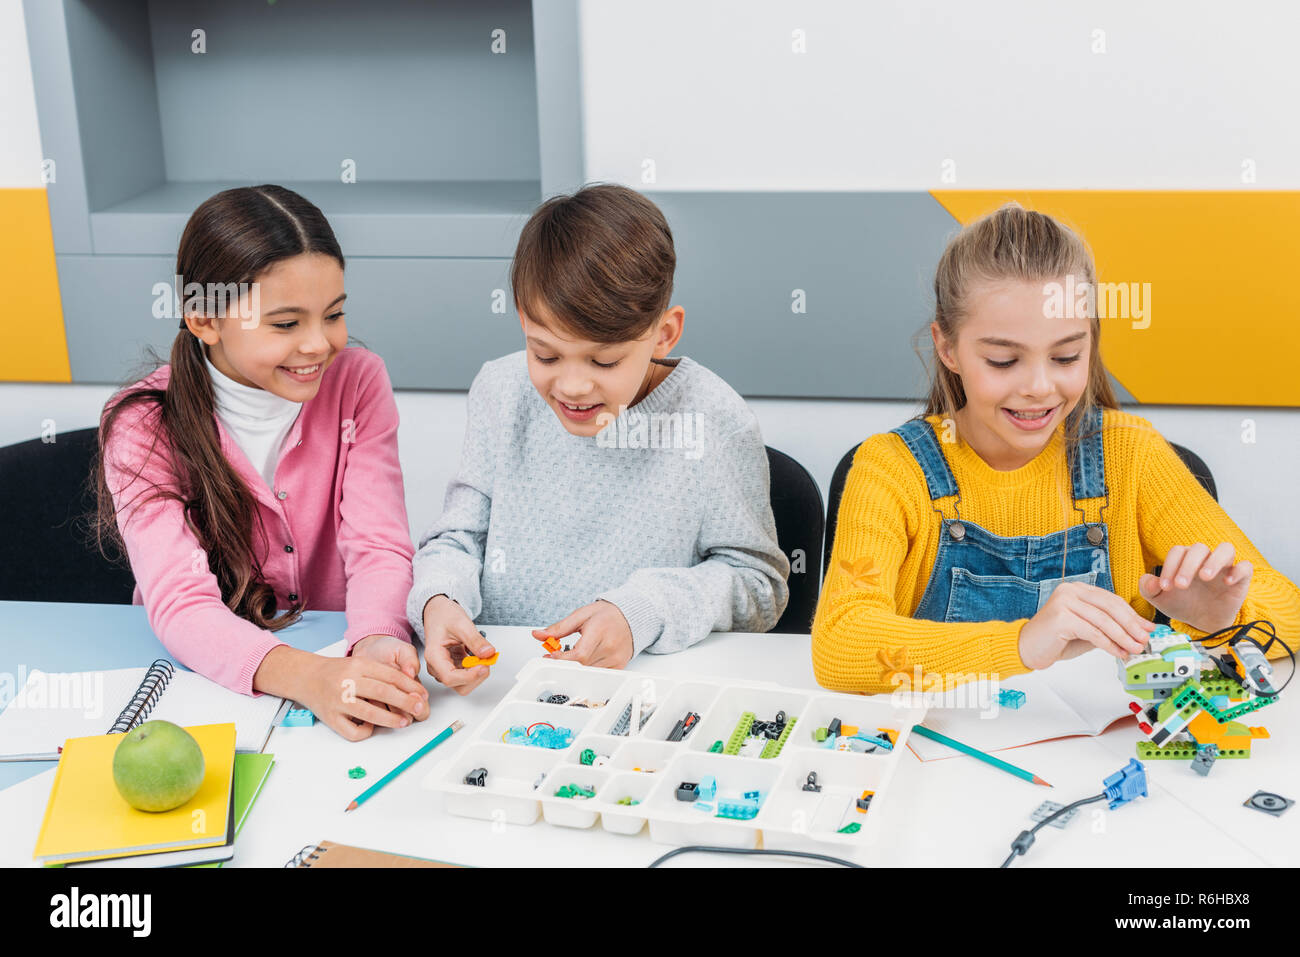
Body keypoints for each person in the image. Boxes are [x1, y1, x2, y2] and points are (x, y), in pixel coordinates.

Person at [813, 202, 1300, 694]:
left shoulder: (1130, 454)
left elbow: (1289, 609)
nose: (1040, 387)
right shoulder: (892, 468)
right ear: (948, 349)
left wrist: (1219, 620)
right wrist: (1024, 643)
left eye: (1066, 355)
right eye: (1003, 360)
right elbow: (839, 644)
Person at [408, 184, 790, 694]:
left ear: (664, 334)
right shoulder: (500, 390)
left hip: (644, 693)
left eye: (604, 361)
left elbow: (758, 586)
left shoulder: (714, 417)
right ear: (523, 319)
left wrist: (641, 612)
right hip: (498, 692)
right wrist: (440, 601)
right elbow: (458, 538)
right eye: (545, 355)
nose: (571, 385)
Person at [96, 185, 427, 739]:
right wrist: (312, 678)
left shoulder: (358, 381)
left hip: (336, 656)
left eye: (335, 314)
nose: (320, 344)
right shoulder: (142, 423)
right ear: (203, 320)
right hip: (210, 680)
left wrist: (377, 639)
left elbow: (380, 545)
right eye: (285, 324)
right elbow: (180, 602)